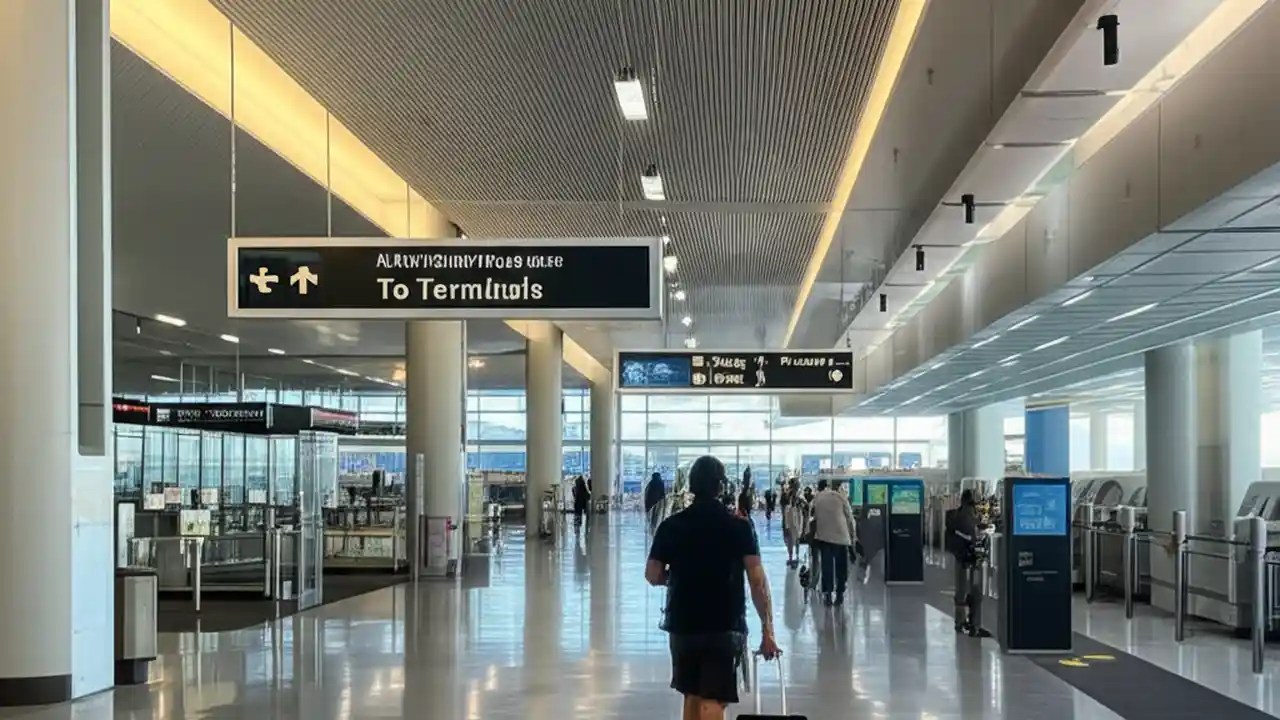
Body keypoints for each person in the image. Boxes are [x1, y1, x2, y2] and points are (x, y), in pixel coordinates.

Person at [646, 456, 780, 720]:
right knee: (713, 700)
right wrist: (768, 631)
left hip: (683, 624)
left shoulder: (671, 526)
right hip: (724, 624)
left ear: (691, 485)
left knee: (692, 695)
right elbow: (757, 581)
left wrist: (678, 575)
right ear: (721, 486)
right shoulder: (739, 526)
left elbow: (652, 574)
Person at [948, 489, 988, 637]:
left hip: (960, 558)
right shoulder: (968, 515)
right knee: (975, 592)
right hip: (972, 559)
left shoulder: (957, 514)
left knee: (961, 592)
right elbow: (973, 535)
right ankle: (975, 626)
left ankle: (960, 623)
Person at [812, 479, 857, 606]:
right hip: (841, 538)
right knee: (841, 567)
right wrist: (853, 539)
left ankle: (827, 595)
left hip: (824, 537)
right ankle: (839, 594)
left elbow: (813, 517)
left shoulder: (818, 498)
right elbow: (850, 518)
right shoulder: (840, 497)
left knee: (827, 566)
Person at [781, 479, 802, 567]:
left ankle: (792, 556)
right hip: (792, 517)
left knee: (792, 537)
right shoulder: (791, 495)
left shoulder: (790, 495)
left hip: (791, 518)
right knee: (794, 537)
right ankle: (794, 556)